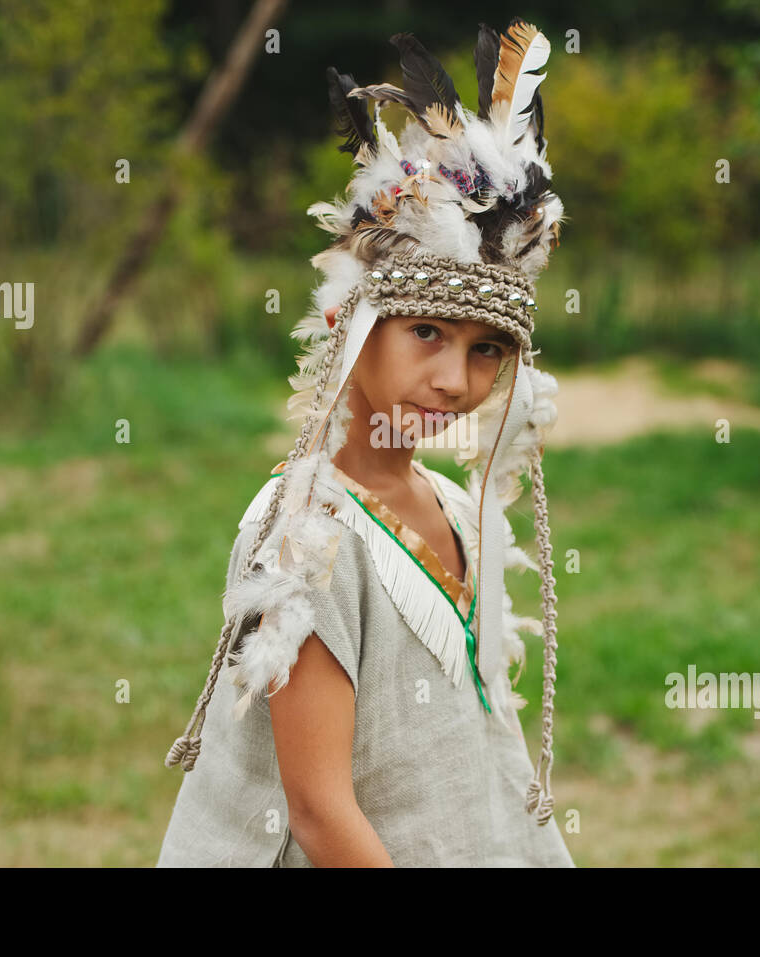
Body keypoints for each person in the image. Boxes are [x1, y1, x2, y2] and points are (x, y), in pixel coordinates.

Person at [157, 17, 572, 867]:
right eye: (427, 332)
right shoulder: (304, 538)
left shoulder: (454, 508)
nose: (456, 379)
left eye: (485, 348)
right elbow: (318, 812)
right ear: (356, 323)